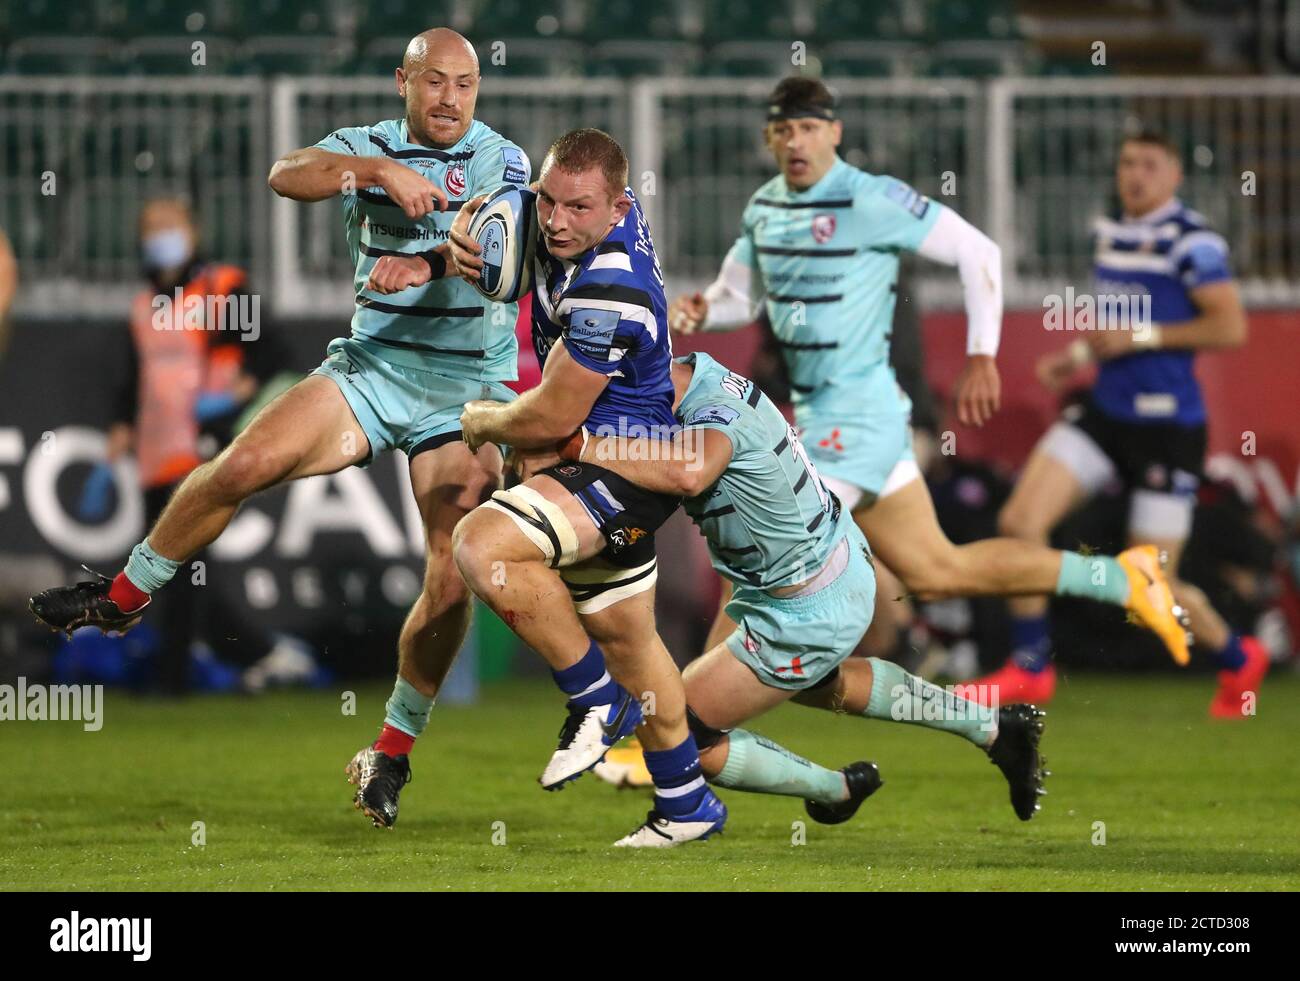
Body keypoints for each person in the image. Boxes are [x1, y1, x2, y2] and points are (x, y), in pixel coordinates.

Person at [29, 28, 531, 826]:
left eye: (465, 84)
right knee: (240, 463)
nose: (450, 99)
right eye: (434, 81)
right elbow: (285, 174)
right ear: (402, 80)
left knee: (452, 560)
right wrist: (373, 172)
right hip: (371, 368)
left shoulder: (503, 158)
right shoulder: (364, 146)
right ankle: (122, 595)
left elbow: (503, 240)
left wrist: (430, 263)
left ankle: (390, 755)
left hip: (463, 390)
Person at [670, 76, 1191, 689]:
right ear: (769, 138)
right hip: (830, 418)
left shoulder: (873, 199)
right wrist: (705, 307)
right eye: (784, 129)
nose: (796, 141)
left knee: (754, 559)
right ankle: (1124, 579)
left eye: (809, 127)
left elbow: (981, 254)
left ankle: (680, 731)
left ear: (834, 132)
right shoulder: (766, 208)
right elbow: (741, 296)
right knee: (936, 571)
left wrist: (981, 356)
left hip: (858, 418)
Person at [562, 352, 1049, 823]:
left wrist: (582, 447)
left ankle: (836, 791)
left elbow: (688, 472)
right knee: (825, 684)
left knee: (680, 732)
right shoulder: (697, 376)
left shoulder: (712, 418)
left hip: (807, 604)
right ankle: (994, 728)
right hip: (827, 566)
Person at [450, 128, 727, 847]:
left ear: (618, 208)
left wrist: (488, 423)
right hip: (598, 458)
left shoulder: (611, 287)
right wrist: (449, 244)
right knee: (631, 638)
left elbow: (553, 410)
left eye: (578, 208)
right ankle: (687, 801)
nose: (557, 222)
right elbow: (496, 221)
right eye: (548, 201)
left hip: (619, 467)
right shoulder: (579, 218)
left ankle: (596, 702)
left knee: (483, 545)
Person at [980, 130, 1266, 716]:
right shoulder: (1110, 235)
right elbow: (1119, 321)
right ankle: (1031, 666)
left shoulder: (1194, 243)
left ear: (1175, 175)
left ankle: (1238, 657)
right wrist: (1081, 356)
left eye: (1149, 164)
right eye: (1126, 163)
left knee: (1149, 586)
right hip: (1106, 415)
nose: (1134, 174)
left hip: (1168, 430)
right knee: (1019, 519)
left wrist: (1143, 336)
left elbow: (1229, 327)